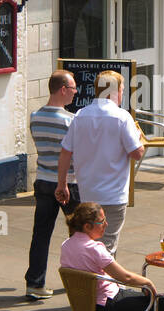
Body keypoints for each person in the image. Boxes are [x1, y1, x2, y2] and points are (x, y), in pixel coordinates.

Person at [58, 202, 164, 311]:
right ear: (87, 226)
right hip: (105, 305)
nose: (106, 225)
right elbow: (125, 276)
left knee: (124, 295)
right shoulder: (95, 248)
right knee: (158, 303)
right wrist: (148, 282)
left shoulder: (66, 245)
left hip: (84, 305)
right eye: (102, 222)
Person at [55, 70, 145, 254]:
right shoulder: (122, 117)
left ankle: (89, 280)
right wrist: (139, 138)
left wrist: (62, 184)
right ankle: (102, 283)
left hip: (87, 193)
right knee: (107, 249)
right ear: (116, 91)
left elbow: (65, 152)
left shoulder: (80, 116)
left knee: (90, 244)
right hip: (113, 195)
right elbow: (137, 153)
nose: (122, 95)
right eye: (122, 90)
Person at [24, 70, 81, 299]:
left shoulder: (35, 117)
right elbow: (73, 154)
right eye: (74, 88)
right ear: (63, 89)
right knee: (80, 234)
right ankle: (79, 281)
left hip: (43, 181)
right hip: (68, 183)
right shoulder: (71, 121)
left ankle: (34, 283)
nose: (76, 93)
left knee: (41, 234)